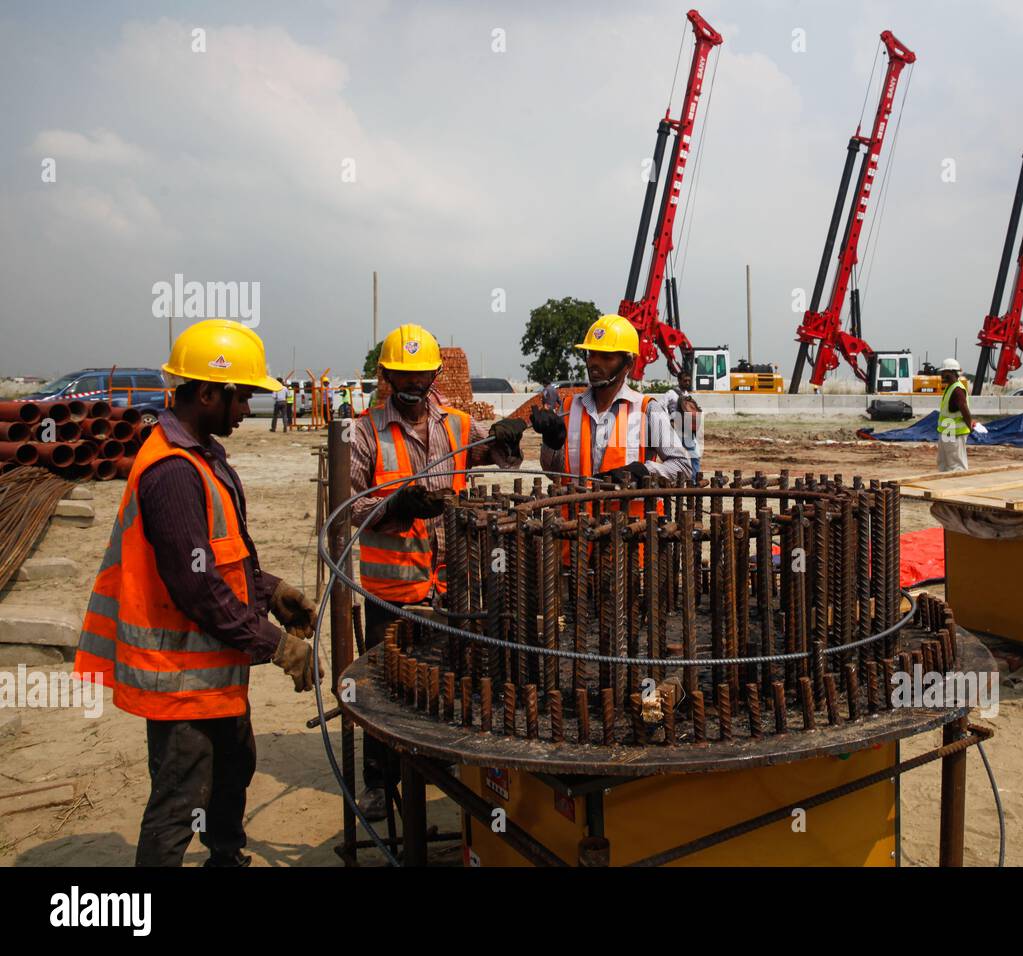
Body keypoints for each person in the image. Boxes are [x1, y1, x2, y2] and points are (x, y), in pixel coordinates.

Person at [74, 319, 321, 867]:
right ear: (208, 392)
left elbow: (220, 559)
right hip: (180, 680)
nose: (247, 409)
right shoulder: (172, 471)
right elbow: (198, 588)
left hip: (213, 675)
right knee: (180, 803)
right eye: (242, 397)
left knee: (232, 775)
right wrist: (277, 646)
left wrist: (271, 590)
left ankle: (226, 860)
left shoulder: (204, 456)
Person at [349, 323, 525, 819]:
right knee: (382, 683)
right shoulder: (365, 431)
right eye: (402, 375)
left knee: (447, 673)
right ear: (386, 375)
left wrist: (507, 441)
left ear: (433, 375)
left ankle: (437, 762)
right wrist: (396, 504)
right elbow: (351, 509)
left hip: (451, 582)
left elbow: (503, 460)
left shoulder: (456, 424)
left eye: (420, 375)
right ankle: (379, 780)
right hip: (393, 586)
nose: (412, 384)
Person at [530, 314, 693, 486]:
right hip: (576, 504)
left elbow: (683, 466)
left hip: (628, 505)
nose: (594, 363)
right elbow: (553, 473)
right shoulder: (569, 408)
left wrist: (643, 472)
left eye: (606, 357)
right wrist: (551, 443)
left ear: (629, 364)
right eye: (592, 354)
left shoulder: (647, 409)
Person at [936, 358, 983, 472]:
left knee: (956, 464)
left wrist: (969, 425)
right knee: (944, 462)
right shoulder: (950, 387)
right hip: (948, 430)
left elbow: (964, 409)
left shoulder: (957, 390)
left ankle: (958, 481)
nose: (942, 375)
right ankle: (945, 481)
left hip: (954, 433)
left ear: (953, 373)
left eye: (944, 372)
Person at [662, 366, 703, 482]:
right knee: (676, 456)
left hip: (686, 429)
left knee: (694, 455)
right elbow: (661, 406)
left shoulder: (687, 394)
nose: (687, 383)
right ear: (679, 380)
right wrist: (669, 421)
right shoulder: (670, 393)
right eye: (685, 380)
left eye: (689, 380)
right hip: (675, 429)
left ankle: (694, 481)